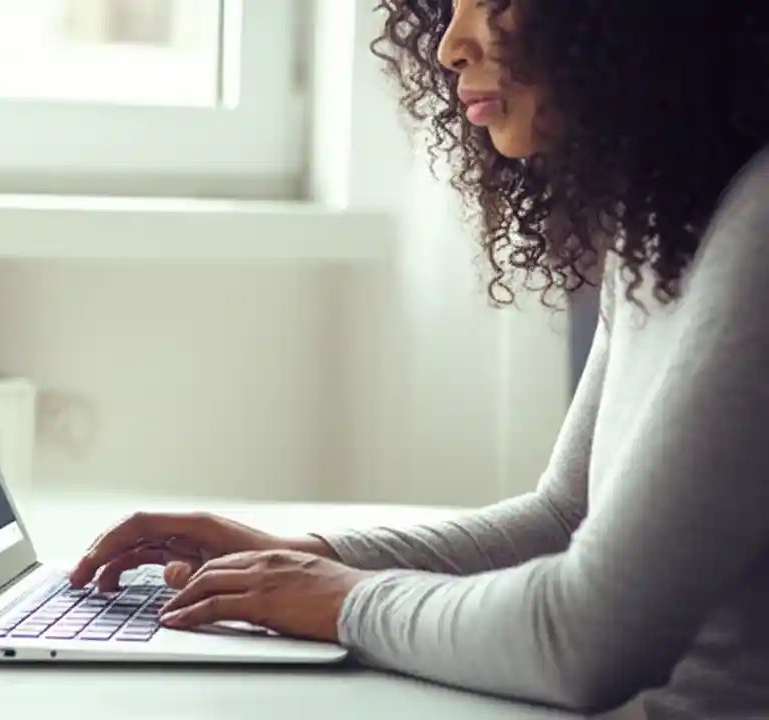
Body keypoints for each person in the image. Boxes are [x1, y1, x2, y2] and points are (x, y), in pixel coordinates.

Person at [69, 1, 769, 717]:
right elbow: (565, 517)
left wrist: (339, 599)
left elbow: (587, 636)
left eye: (492, 4)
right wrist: (302, 557)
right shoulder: (664, 217)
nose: (449, 47)